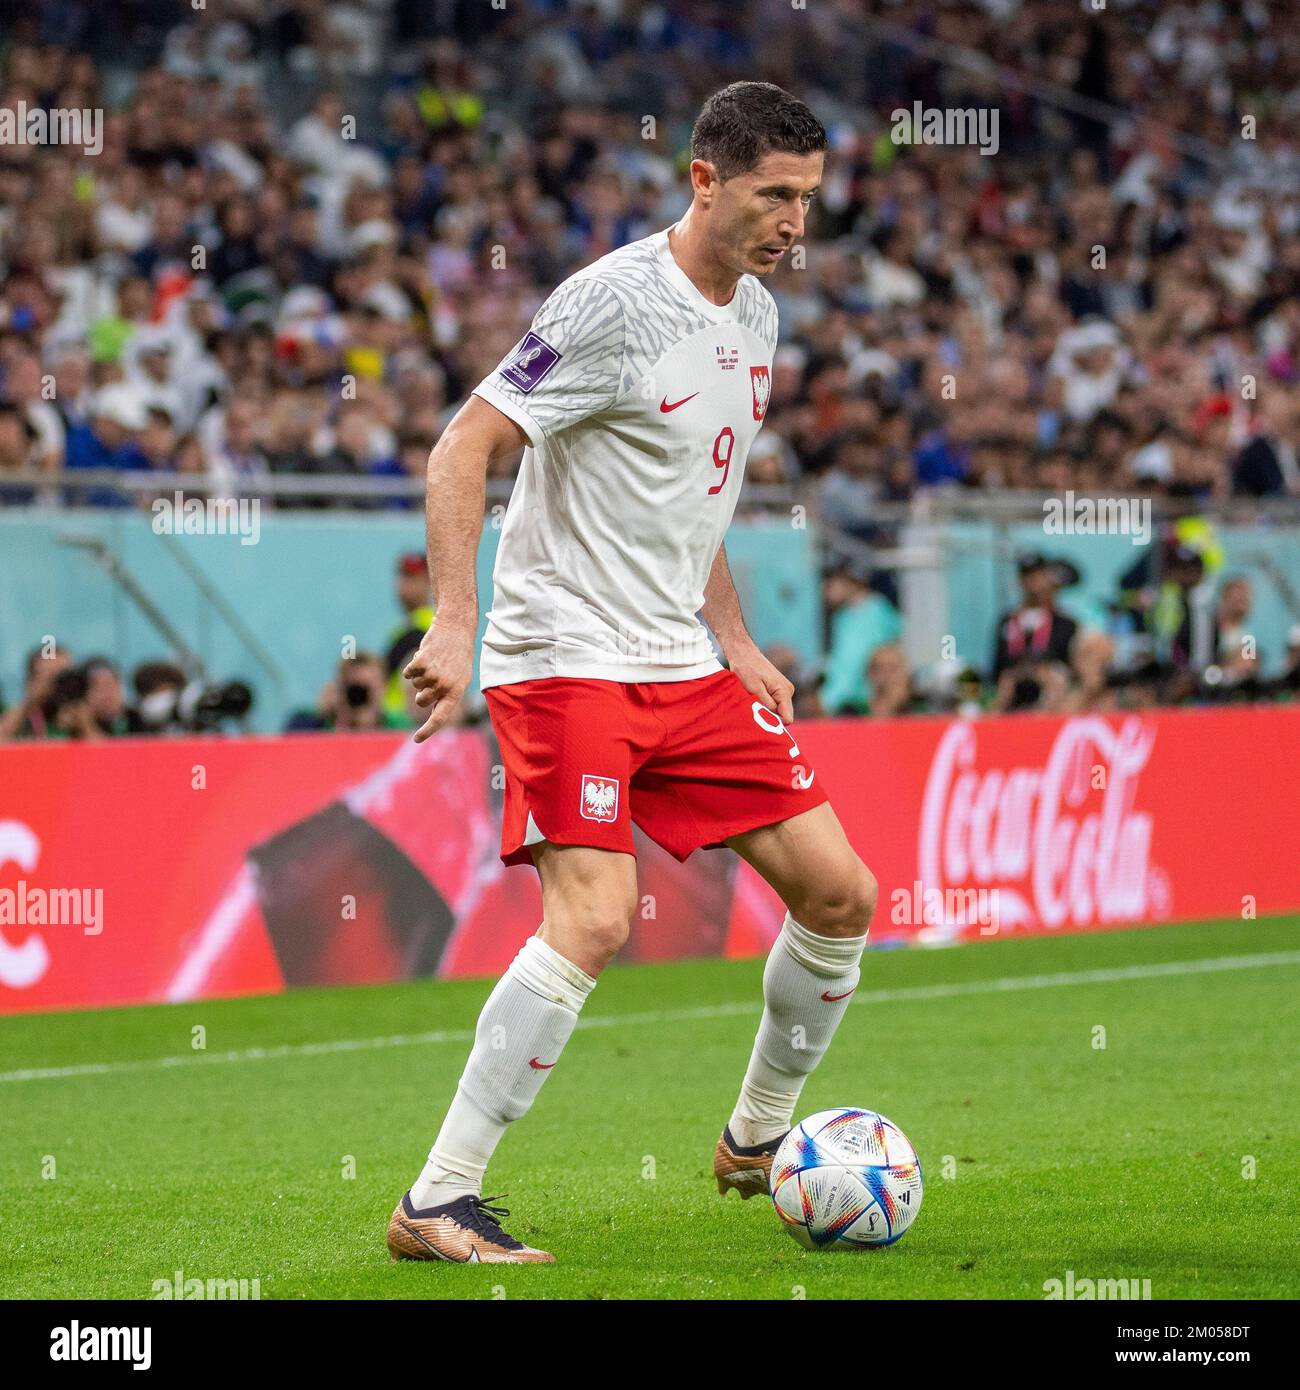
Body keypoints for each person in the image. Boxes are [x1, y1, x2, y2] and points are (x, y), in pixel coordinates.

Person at [392, 83, 877, 1264]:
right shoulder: (611, 302)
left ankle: (756, 1139)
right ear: (704, 179)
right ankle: (438, 1198)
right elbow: (466, 445)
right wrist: (454, 621)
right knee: (598, 917)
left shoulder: (754, 317)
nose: (794, 222)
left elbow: (693, 501)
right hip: (565, 656)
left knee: (840, 894)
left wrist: (740, 640)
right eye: (774, 195)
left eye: (808, 199)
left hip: (678, 657)